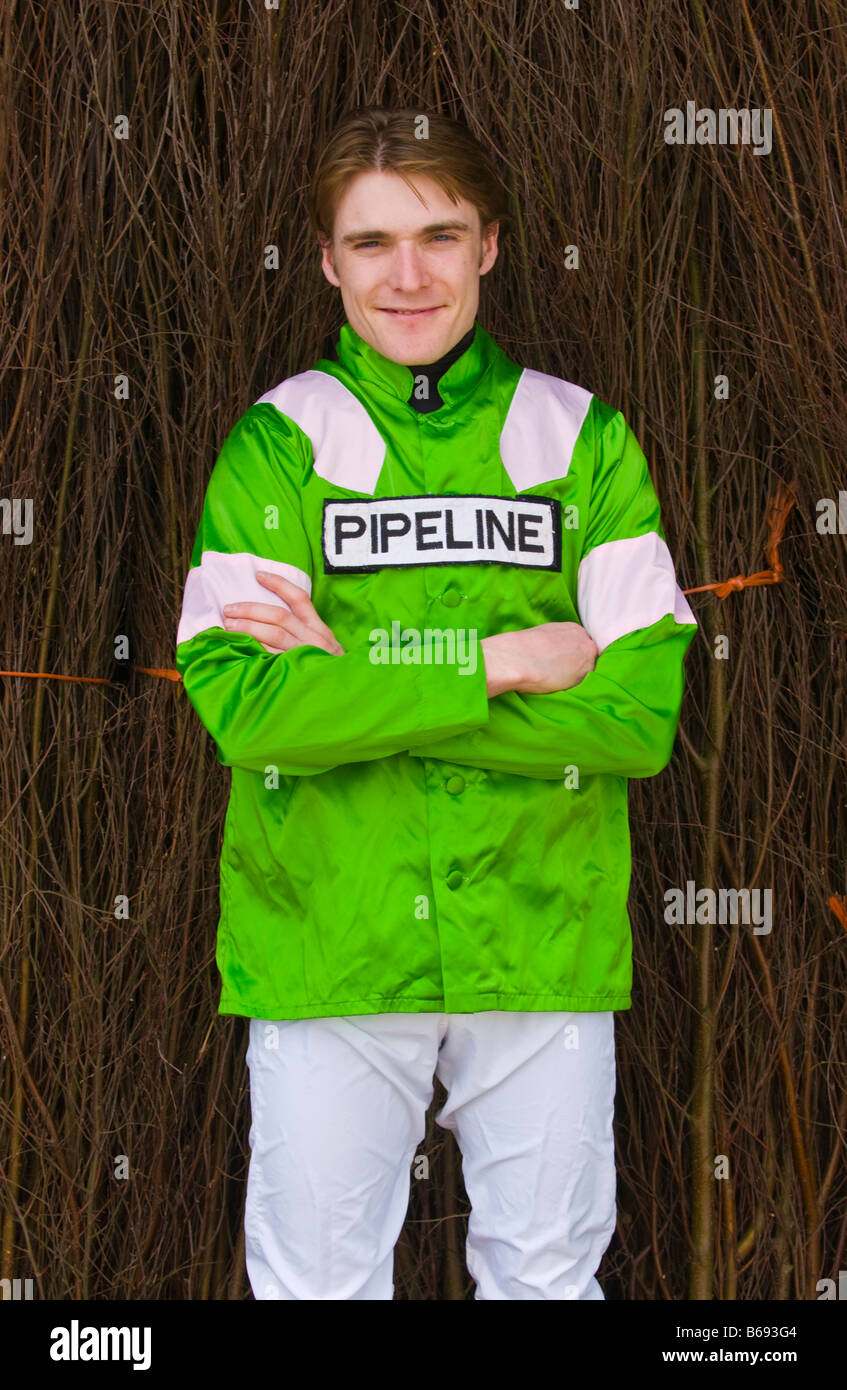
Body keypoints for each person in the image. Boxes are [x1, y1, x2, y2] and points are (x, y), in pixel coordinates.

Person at [175, 106, 699, 1300]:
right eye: (370, 243)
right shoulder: (272, 447)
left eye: (439, 235)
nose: (406, 275)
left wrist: (351, 687)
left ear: (490, 247)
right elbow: (253, 717)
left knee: (549, 1284)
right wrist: (502, 662)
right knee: (315, 1285)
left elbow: (634, 722)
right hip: (324, 938)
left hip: (542, 940)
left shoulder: (587, 442)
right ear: (325, 260)